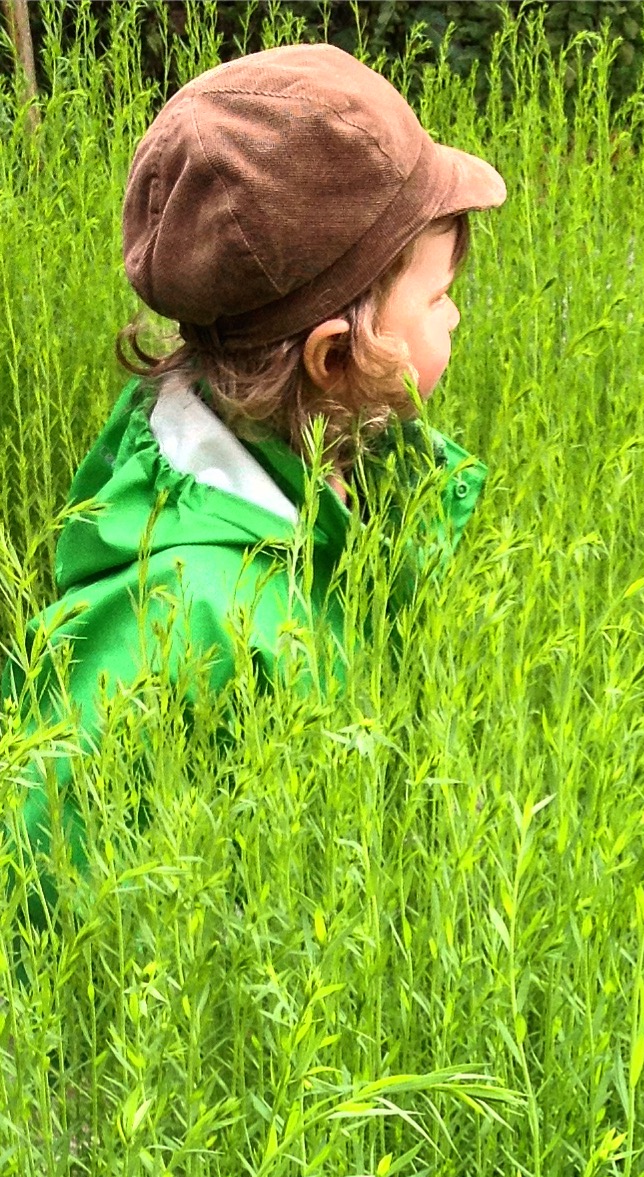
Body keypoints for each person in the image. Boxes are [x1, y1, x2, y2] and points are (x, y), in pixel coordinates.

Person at [3, 43, 506, 899]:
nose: (456, 313)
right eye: (435, 295)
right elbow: (37, 873)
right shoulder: (172, 619)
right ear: (337, 355)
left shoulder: (357, 469)